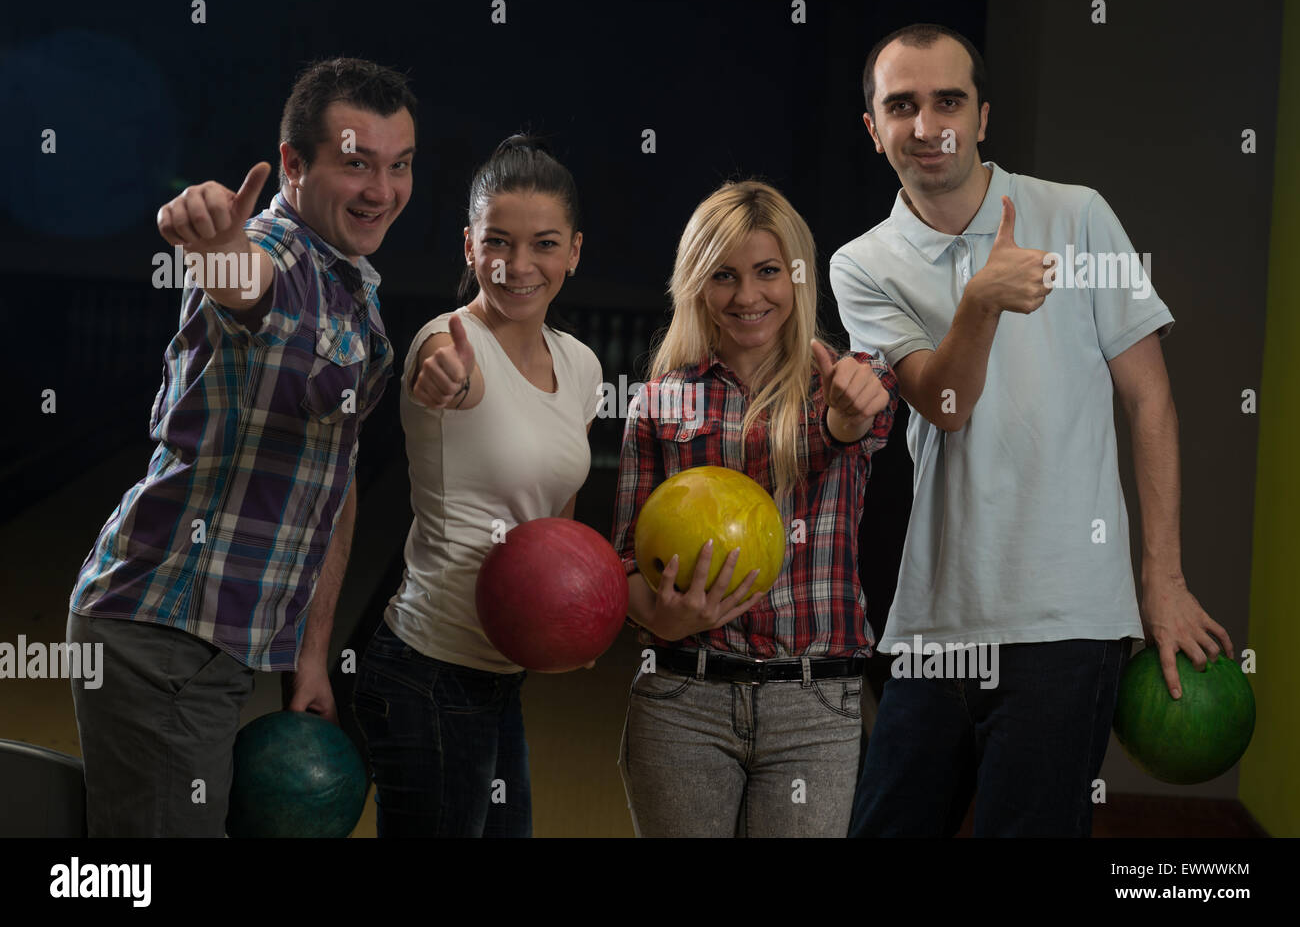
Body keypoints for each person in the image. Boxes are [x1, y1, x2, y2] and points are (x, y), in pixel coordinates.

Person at [830, 23, 1234, 837]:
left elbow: (1150, 401)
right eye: (901, 105)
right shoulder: (861, 263)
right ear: (873, 130)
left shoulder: (1079, 216)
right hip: (932, 623)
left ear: (983, 117)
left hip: (1069, 618)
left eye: (950, 100)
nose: (928, 124)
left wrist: (1162, 580)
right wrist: (980, 301)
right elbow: (946, 406)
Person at [67, 58, 416, 836]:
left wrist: (313, 653)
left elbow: (335, 474)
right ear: (294, 164)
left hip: (214, 646)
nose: (382, 189)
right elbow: (245, 289)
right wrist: (218, 248)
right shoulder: (274, 250)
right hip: (161, 636)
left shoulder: (352, 282)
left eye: (399, 166)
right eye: (357, 163)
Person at [611, 180, 899, 837]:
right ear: (696, 284)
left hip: (814, 702)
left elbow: (854, 426)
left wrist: (848, 414)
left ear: (798, 275)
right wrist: (661, 613)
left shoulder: (850, 383)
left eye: (768, 271)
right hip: (685, 696)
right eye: (724, 275)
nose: (748, 296)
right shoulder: (658, 403)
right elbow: (626, 561)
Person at [351, 136, 603, 838]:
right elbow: (442, 375)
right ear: (469, 245)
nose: (517, 265)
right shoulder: (446, 342)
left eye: (544, 243)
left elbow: (561, 527)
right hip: (426, 672)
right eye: (497, 241)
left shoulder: (581, 365)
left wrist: (572, 614)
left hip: (500, 674)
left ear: (574, 250)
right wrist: (444, 381)